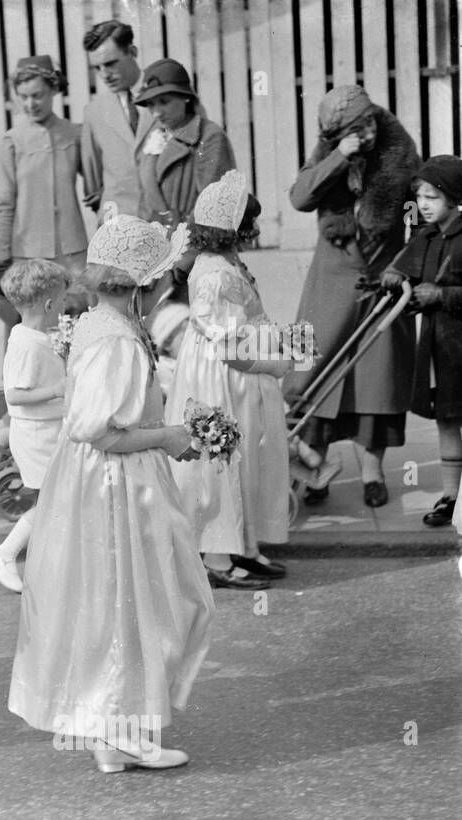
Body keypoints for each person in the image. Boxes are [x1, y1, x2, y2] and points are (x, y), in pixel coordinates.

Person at [8, 214, 213, 773]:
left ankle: (113, 730)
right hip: (118, 484)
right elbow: (97, 430)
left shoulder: (99, 323)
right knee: (142, 599)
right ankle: (122, 732)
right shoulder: (117, 340)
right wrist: (171, 436)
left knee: (113, 602)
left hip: (97, 481)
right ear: (145, 283)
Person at [284, 86, 419, 509]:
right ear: (338, 131)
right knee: (316, 376)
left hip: (383, 281)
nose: (369, 131)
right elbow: (301, 197)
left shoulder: (399, 152)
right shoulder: (328, 156)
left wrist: (405, 265)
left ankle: (372, 472)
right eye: (358, 126)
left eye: (371, 121)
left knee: (377, 380)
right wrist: (340, 155)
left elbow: (419, 215)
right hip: (332, 284)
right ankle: (313, 467)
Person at [166, 171, 291, 590]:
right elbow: (230, 351)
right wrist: (272, 366)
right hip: (225, 378)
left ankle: (244, 544)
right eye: (248, 224)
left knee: (248, 458)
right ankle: (218, 555)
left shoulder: (223, 263)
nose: (254, 231)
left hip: (235, 372)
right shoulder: (216, 276)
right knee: (223, 460)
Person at [382, 156, 462, 526]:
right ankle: (450, 496)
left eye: (433, 196)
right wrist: (392, 275)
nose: (425, 204)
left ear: (454, 196)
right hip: (438, 347)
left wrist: (442, 296)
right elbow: (403, 265)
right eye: (421, 196)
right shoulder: (427, 236)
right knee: (447, 420)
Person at [0, 259, 70, 594]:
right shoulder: (25, 344)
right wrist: (56, 390)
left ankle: (32, 559)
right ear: (49, 305)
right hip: (37, 436)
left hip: (49, 430)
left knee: (58, 500)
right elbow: (14, 395)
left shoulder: (37, 336)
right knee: (52, 501)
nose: (63, 306)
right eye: (62, 301)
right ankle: (5, 553)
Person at [0, 56, 87, 342]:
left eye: (37, 95)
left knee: (76, 327)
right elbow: (3, 204)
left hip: (71, 251)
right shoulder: (10, 141)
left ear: (54, 90)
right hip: (28, 252)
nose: (30, 104)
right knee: (28, 332)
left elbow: (97, 185)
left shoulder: (74, 134)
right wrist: (1, 260)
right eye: (23, 97)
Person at [133, 59, 235, 230]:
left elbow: (214, 205)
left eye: (164, 102)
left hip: (192, 242)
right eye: (150, 104)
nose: (156, 113)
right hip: (155, 242)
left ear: (185, 98)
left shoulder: (209, 137)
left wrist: (183, 239)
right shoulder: (155, 138)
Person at [80, 20, 152, 218]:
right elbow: (93, 185)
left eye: (110, 63)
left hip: (167, 225)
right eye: (97, 67)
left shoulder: (169, 97)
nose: (104, 75)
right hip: (118, 229)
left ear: (133, 52)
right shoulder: (94, 112)